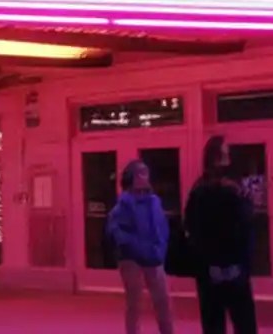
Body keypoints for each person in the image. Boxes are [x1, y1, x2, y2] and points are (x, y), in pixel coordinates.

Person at [185, 136, 257, 334]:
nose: (229, 156)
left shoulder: (199, 188)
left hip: (210, 267)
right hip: (231, 264)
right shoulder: (231, 189)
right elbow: (244, 223)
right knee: (243, 321)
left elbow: (191, 225)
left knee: (214, 322)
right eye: (226, 152)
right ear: (218, 156)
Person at [108, 160, 175, 334]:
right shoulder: (123, 204)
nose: (144, 177)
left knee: (163, 302)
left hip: (154, 256)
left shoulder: (154, 201)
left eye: (146, 173)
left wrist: (160, 247)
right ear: (132, 177)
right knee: (134, 304)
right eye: (140, 173)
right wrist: (134, 246)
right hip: (132, 259)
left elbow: (162, 226)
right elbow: (116, 230)